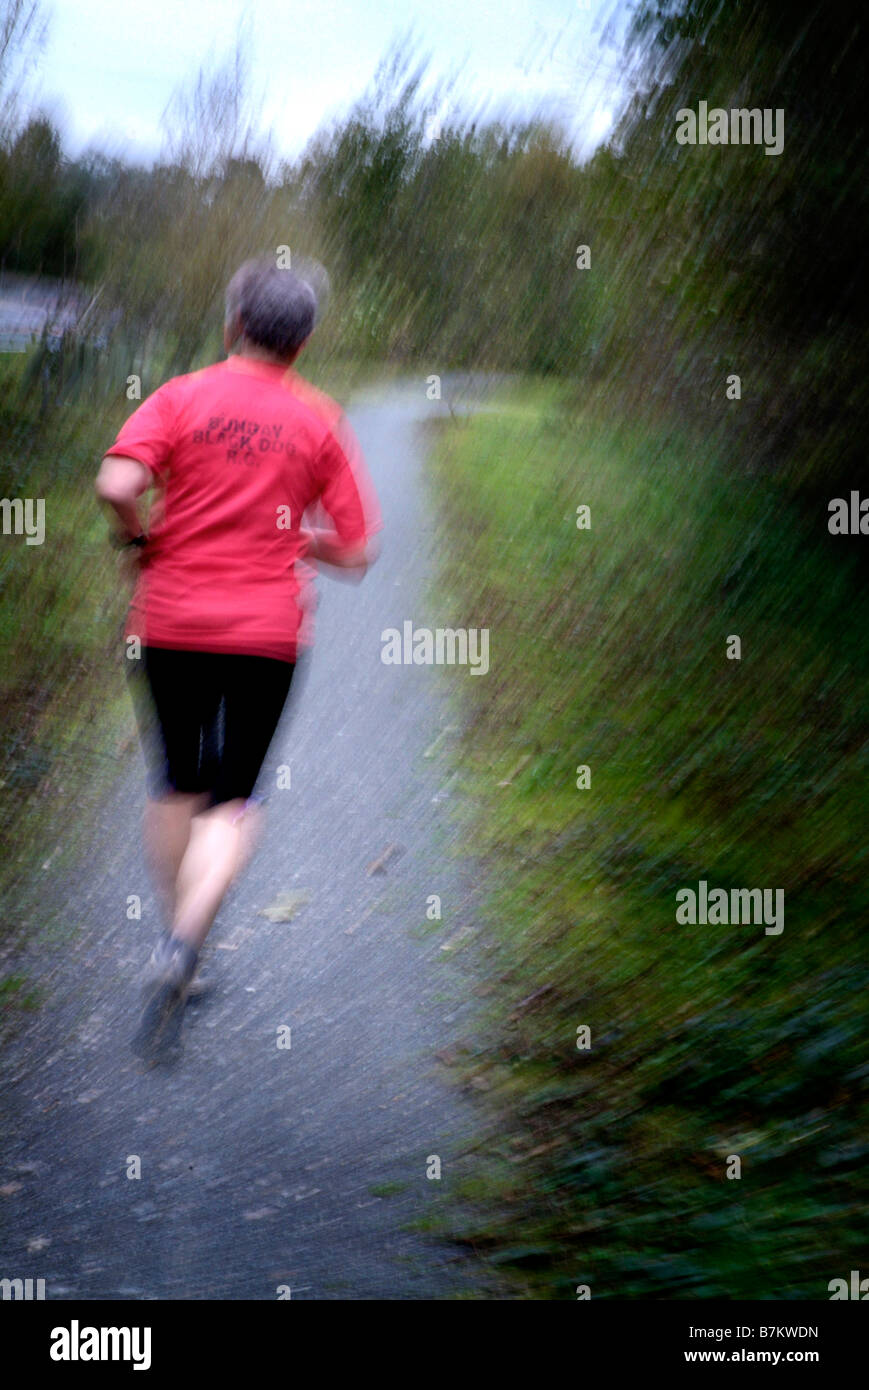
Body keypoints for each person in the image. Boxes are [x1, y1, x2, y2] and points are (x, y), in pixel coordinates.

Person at [95, 257, 382, 1060]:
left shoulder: (180, 396)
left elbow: (117, 480)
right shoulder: (320, 418)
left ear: (232, 324)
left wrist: (137, 539)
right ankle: (187, 941)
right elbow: (359, 552)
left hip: (169, 622)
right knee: (232, 798)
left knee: (176, 783)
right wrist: (301, 537)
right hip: (264, 637)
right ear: (305, 341)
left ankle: (173, 942)